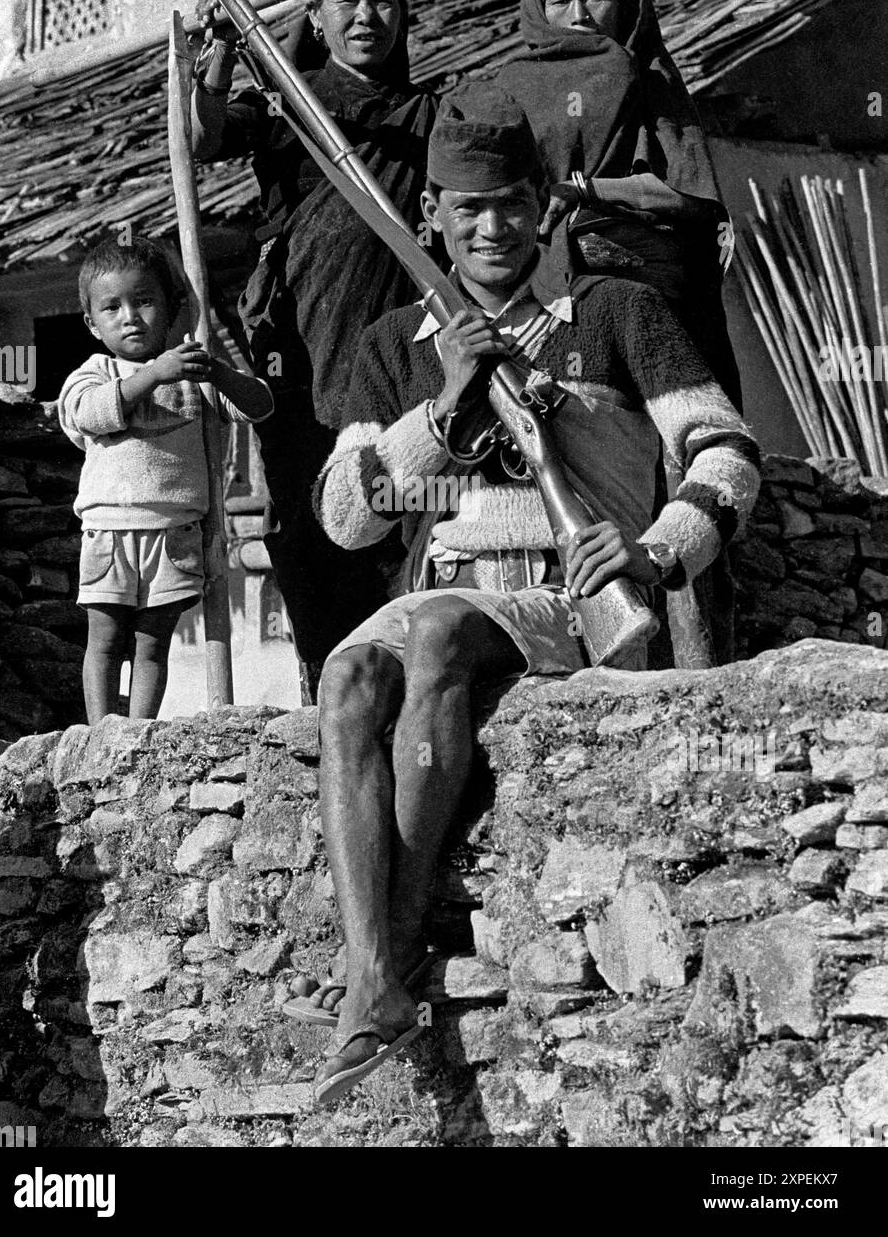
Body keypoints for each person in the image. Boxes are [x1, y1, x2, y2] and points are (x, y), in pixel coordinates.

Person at [288, 84, 760, 1105]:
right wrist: (446, 403)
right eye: (469, 209)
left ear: (543, 205)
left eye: (510, 203)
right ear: (433, 222)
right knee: (354, 677)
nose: (492, 227)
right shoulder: (392, 346)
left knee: (441, 637)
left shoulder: (616, 313)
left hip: (560, 596)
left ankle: (382, 978)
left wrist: (655, 554)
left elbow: (725, 457)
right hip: (440, 598)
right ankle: (376, 978)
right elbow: (345, 515)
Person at [191, 0, 438, 700]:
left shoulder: (427, 111)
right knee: (305, 516)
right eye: (350, 1)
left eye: (384, 0)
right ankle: (326, 689)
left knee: (398, 508)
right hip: (299, 344)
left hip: (395, 344)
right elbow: (199, 135)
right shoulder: (285, 102)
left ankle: (401, 679)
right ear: (318, 17)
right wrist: (218, 55)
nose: (369, 16)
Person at [497, 0, 743, 665]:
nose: (578, 11)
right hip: (557, 315)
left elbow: (689, 195)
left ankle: (700, 675)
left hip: (658, 303)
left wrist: (586, 190)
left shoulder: (651, 83)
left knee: (682, 472)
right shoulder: (511, 88)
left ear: (627, 1)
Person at [58, 235, 272, 724]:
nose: (130, 316)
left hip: (175, 533)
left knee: (152, 643)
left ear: (173, 309)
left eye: (145, 300)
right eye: (112, 308)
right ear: (92, 324)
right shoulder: (94, 372)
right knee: (106, 638)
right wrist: (153, 374)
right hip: (110, 529)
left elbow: (260, 407)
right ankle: (100, 732)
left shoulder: (193, 373)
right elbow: (89, 415)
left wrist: (216, 371)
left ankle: (138, 729)